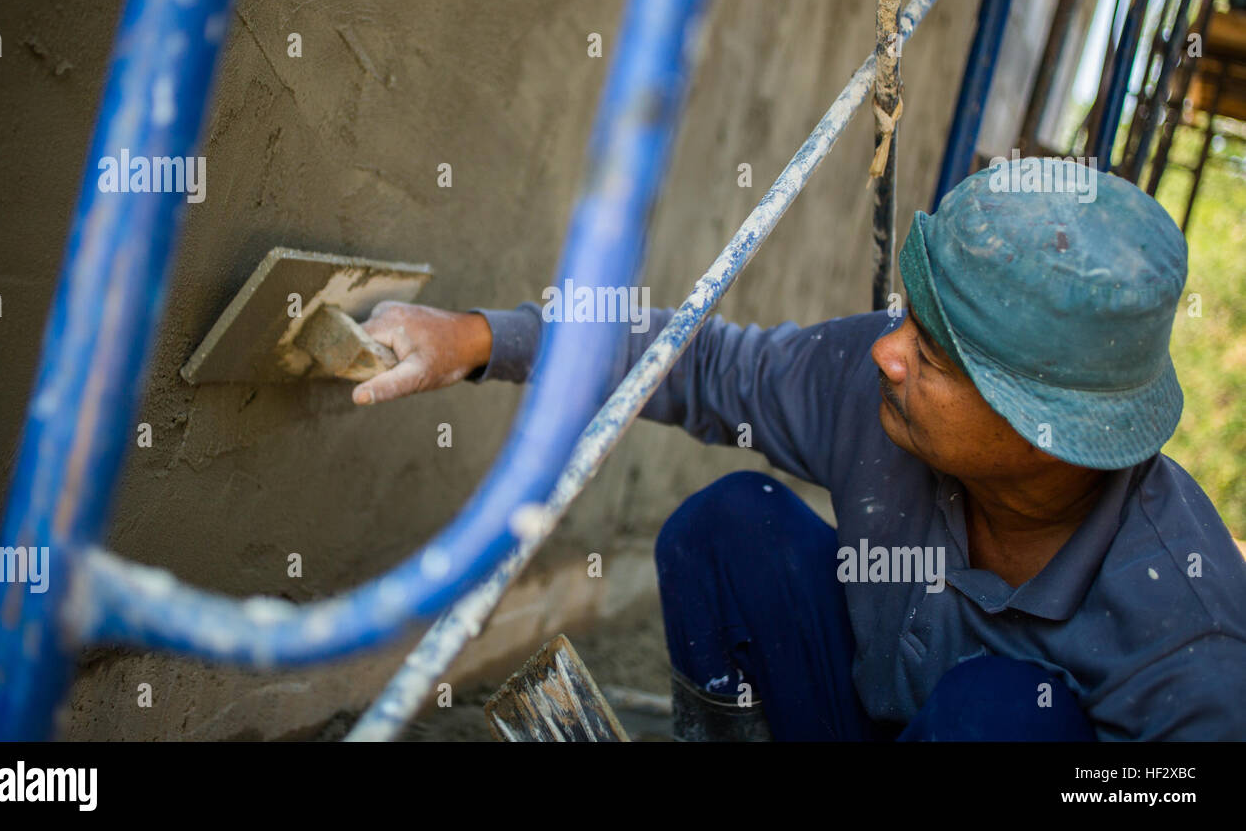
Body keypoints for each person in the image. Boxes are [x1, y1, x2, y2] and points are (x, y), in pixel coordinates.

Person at [350, 160, 1246, 740]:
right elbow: (697, 360)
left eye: (929, 355)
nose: (885, 353)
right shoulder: (881, 397)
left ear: (1046, 429)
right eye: (906, 319)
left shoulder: (1189, 628)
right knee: (735, 527)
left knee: (1004, 716)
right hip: (861, 723)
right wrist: (476, 340)